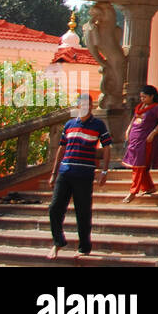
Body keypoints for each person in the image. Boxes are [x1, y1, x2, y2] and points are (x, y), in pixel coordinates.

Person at [48, 93, 112, 259]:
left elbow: (107, 148)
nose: (86, 107)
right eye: (82, 105)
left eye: (88, 105)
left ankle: (84, 247)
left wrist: (104, 171)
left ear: (91, 106)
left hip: (84, 174)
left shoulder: (98, 125)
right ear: (78, 106)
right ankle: (58, 242)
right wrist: (54, 173)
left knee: (83, 212)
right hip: (65, 172)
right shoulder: (69, 124)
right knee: (55, 208)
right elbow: (61, 149)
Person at [121, 85, 158, 201]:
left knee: (139, 165)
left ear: (152, 96)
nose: (142, 99)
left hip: (145, 140)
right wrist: (128, 129)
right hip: (134, 140)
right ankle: (149, 187)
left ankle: (133, 191)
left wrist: (153, 134)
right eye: (141, 97)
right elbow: (134, 118)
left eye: (145, 97)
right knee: (138, 166)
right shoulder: (141, 106)